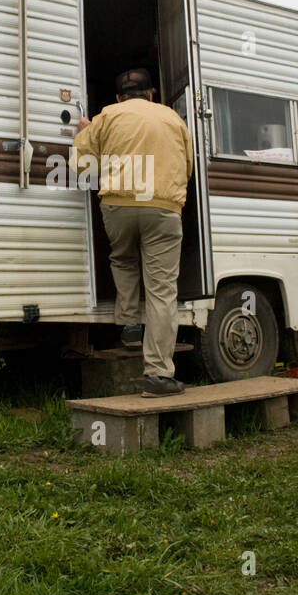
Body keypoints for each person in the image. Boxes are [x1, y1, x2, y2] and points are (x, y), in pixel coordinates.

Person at [73, 68, 194, 397]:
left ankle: (128, 325)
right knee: (161, 292)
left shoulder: (105, 116)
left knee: (123, 259)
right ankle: (157, 374)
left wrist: (85, 133)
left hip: (119, 203)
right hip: (162, 206)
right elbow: (187, 166)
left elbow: (81, 168)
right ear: (151, 94)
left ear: (118, 98)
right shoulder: (172, 118)